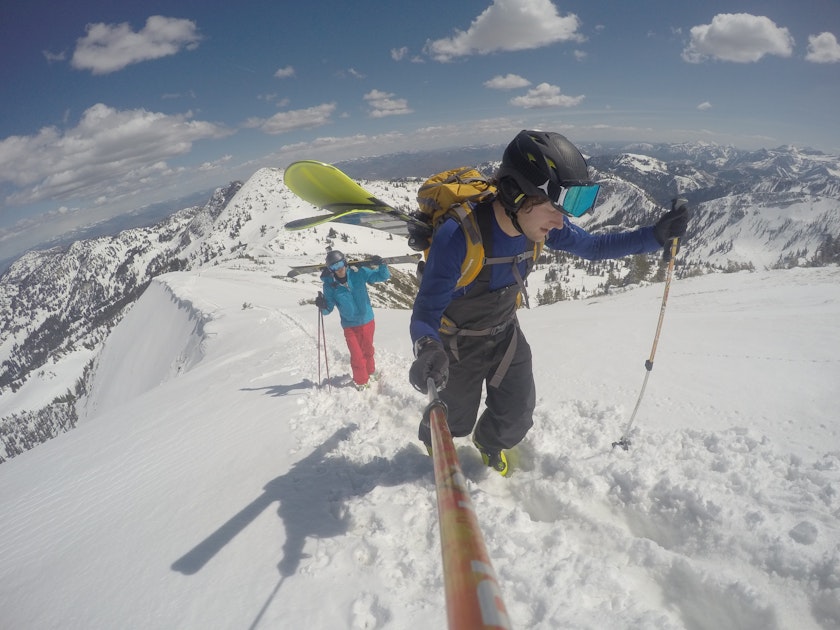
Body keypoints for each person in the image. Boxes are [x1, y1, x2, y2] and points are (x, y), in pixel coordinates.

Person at [408, 130, 689, 475]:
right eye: (552, 209)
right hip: (456, 344)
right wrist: (427, 346)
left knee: (516, 415)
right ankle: (435, 443)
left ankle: (489, 443)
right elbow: (426, 311)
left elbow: (595, 247)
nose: (560, 222)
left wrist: (655, 236)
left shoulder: (539, 224)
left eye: (564, 210)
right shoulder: (458, 236)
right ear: (515, 195)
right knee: (454, 421)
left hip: (504, 334)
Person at [316, 250, 391, 390]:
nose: (339, 269)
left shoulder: (359, 273)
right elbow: (328, 310)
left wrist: (382, 265)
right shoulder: (330, 286)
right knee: (357, 355)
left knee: (368, 350)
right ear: (330, 269)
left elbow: (383, 276)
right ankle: (361, 381)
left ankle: (370, 371)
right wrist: (322, 305)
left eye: (339, 264)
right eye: (333, 267)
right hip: (350, 326)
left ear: (345, 262)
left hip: (368, 320)